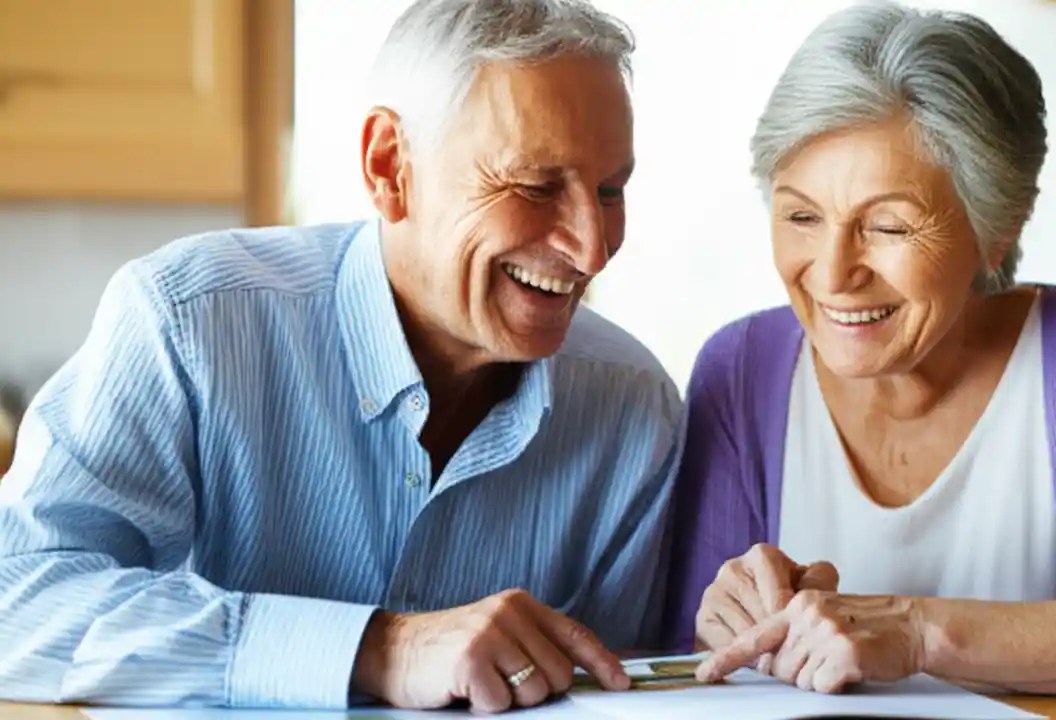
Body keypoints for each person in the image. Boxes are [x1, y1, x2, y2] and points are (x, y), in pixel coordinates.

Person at [0, 0, 682, 713]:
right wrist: (378, 648)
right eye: (537, 186)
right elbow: (13, 602)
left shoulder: (634, 407)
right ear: (389, 167)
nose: (592, 248)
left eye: (610, 191)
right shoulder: (189, 323)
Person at [662, 0, 1056, 698]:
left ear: (995, 230)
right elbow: (689, 669)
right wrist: (724, 622)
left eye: (886, 226)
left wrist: (917, 633)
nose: (831, 274)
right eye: (800, 216)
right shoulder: (740, 370)